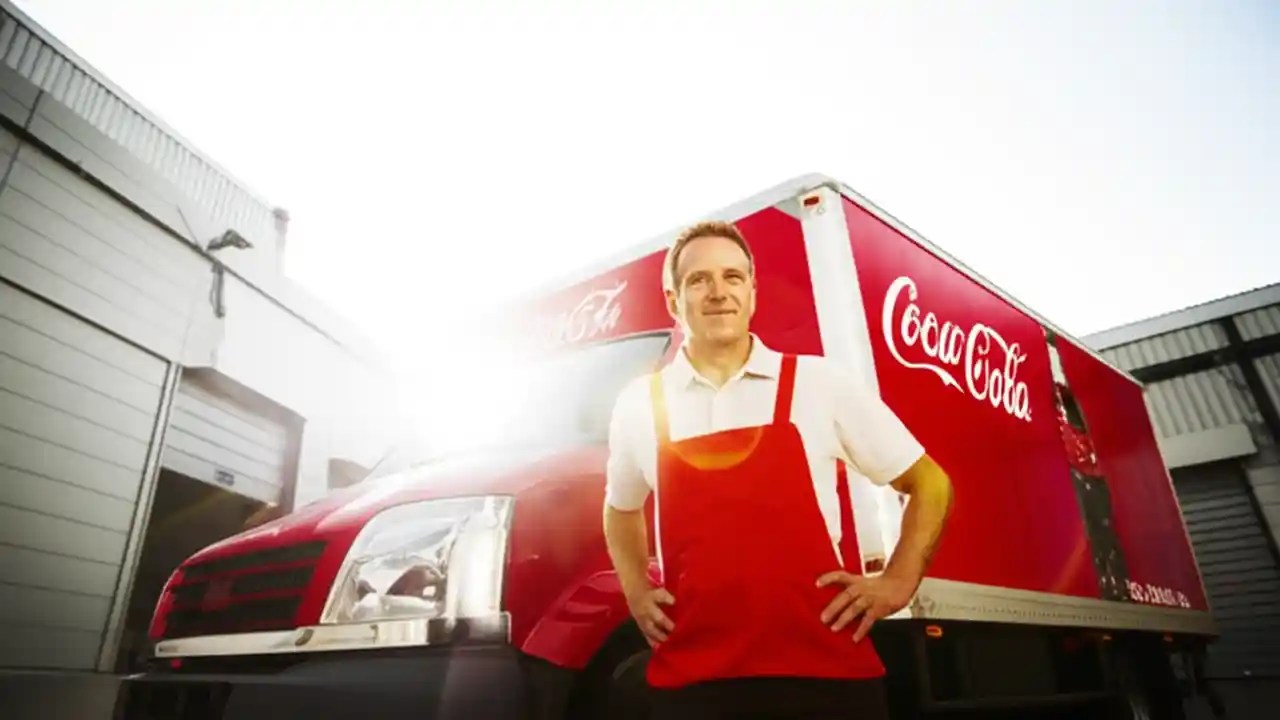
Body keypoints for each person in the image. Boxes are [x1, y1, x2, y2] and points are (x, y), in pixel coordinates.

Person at [602, 220, 954, 719]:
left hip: (825, 682)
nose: (719, 292)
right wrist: (637, 591)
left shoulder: (819, 382)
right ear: (673, 300)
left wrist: (897, 583)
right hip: (694, 687)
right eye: (699, 280)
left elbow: (930, 483)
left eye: (733, 276)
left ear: (752, 291)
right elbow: (620, 510)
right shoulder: (640, 404)